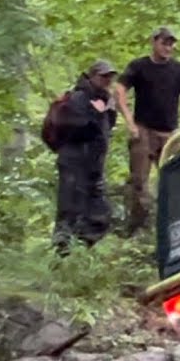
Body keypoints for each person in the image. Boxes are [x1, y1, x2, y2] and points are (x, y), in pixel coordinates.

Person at [115, 26, 180, 235]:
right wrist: (129, 121)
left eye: (171, 43)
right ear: (154, 42)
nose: (168, 47)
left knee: (177, 177)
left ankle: (179, 224)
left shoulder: (178, 70)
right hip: (144, 130)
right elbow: (119, 90)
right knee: (139, 181)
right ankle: (138, 227)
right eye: (164, 42)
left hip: (170, 133)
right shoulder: (138, 66)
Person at [53, 61, 118, 256]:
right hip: (74, 163)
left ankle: (84, 252)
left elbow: (108, 127)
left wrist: (107, 111)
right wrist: (97, 113)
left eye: (110, 77)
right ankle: (63, 257)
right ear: (92, 76)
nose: (107, 80)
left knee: (99, 213)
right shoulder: (78, 98)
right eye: (103, 76)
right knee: (70, 210)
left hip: (94, 166)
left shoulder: (104, 99)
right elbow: (79, 128)